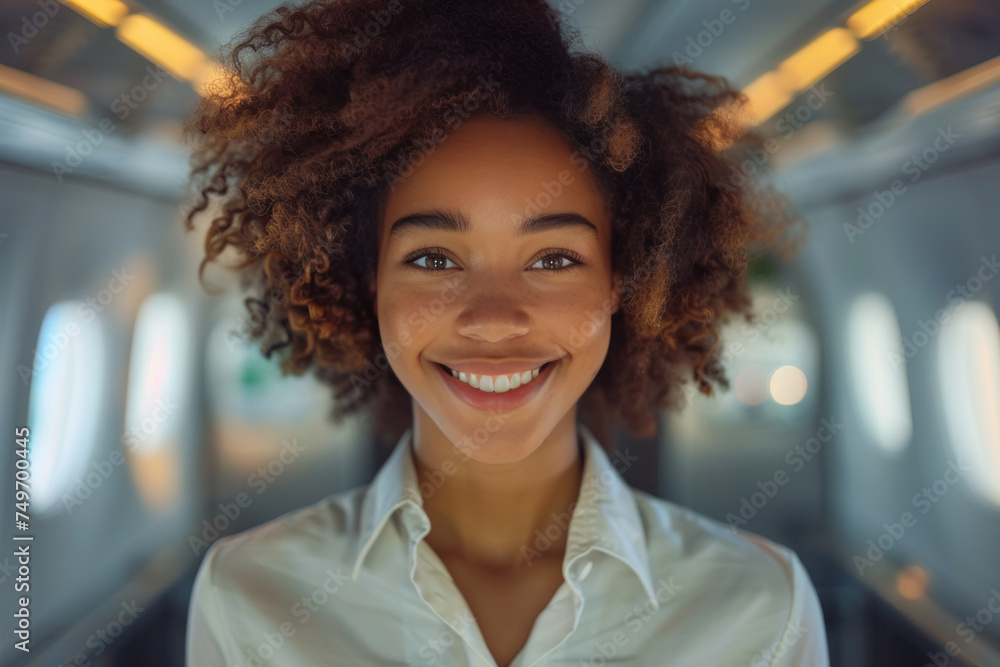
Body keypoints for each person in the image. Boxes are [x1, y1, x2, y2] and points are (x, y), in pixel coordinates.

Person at [182, 0, 829, 665]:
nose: (493, 317)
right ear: (369, 280)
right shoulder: (245, 598)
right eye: (433, 259)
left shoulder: (760, 610)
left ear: (621, 281)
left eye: (554, 259)